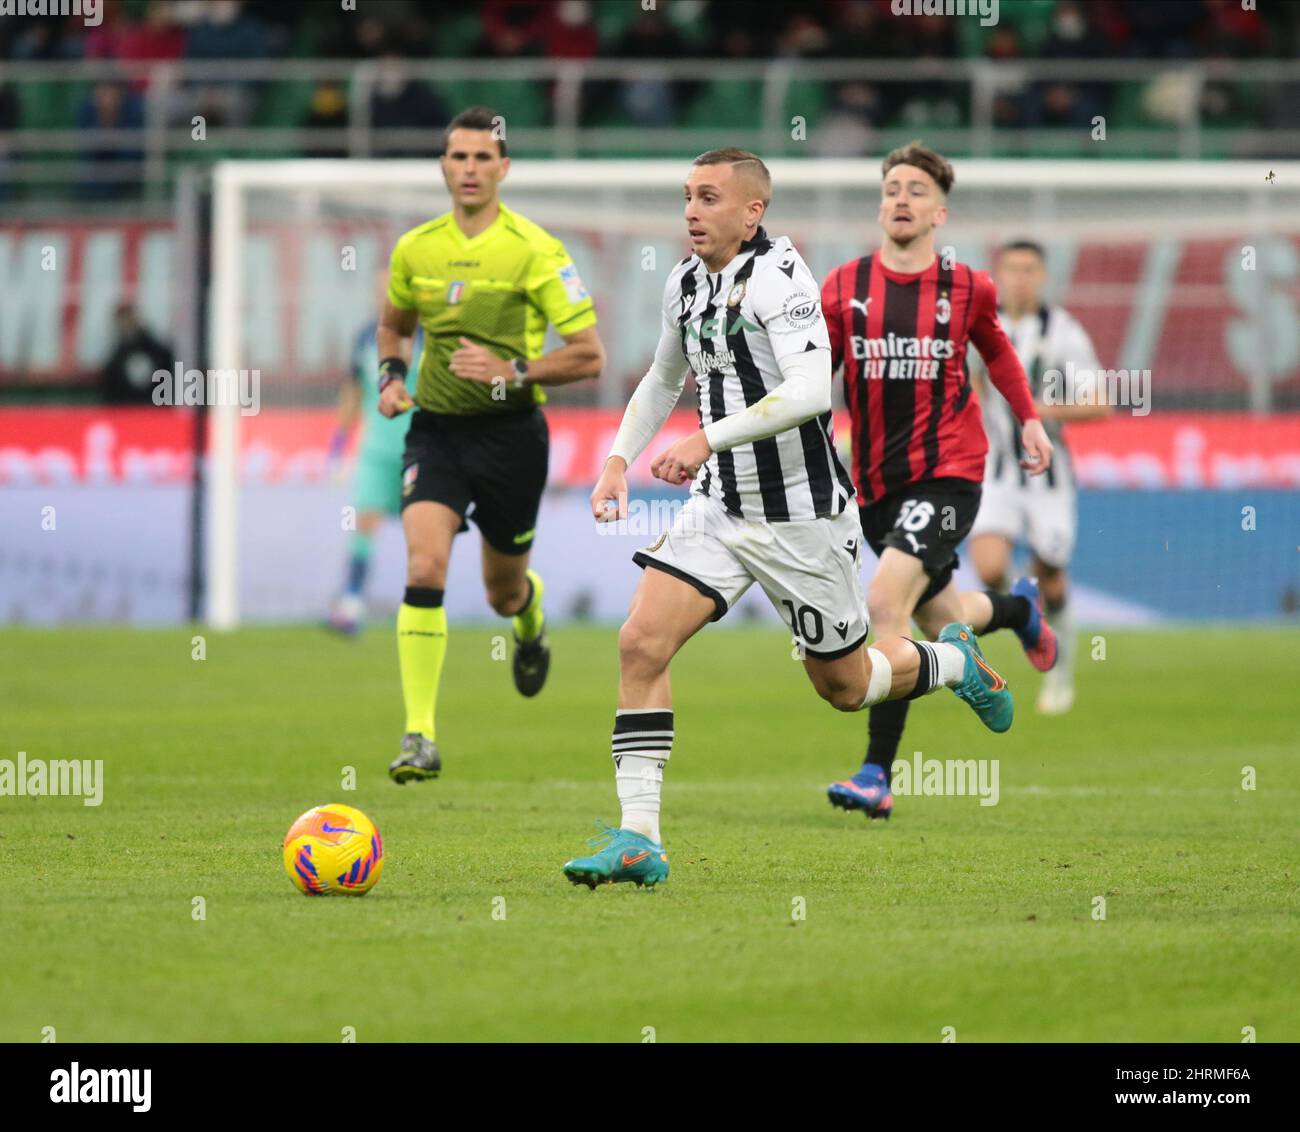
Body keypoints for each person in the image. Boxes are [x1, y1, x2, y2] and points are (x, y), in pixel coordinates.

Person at [562, 148, 1018, 890]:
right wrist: (618, 459)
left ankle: (959, 662)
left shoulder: (783, 280)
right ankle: (639, 837)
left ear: (752, 212)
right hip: (719, 505)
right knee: (640, 643)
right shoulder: (686, 282)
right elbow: (663, 377)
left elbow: (810, 393)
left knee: (843, 687)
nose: (690, 211)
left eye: (708, 198)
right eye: (686, 196)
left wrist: (706, 435)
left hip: (802, 516)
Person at [820, 142, 1058, 821]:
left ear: (940, 212)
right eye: (892, 186)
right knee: (942, 619)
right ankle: (1016, 612)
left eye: (916, 189)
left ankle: (875, 774)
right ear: (880, 204)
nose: (901, 197)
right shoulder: (841, 287)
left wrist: (1032, 421)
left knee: (884, 606)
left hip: (950, 473)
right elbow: (817, 378)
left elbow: (999, 354)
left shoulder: (968, 287)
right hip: (874, 483)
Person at [377, 106, 606, 784]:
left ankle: (529, 624)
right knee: (424, 569)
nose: (469, 169)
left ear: (504, 168)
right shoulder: (415, 248)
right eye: (458, 157)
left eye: (483, 158)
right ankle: (419, 733)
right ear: (443, 166)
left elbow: (590, 355)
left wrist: (516, 372)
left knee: (502, 593)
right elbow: (393, 329)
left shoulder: (536, 250)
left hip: (511, 436)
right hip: (437, 433)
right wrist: (391, 378)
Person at [968, 240, 1110, 714]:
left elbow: (1100, 403)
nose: (1021, 278)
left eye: (1030, 270)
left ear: (1043, 276)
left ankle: (1060, 676)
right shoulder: (980, 325)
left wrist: (1038, 410)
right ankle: (1024, 611)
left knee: (1052, 576)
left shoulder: (1064, 332)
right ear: (998, 274)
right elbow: (968, 386)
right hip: (996, 471)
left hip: (1048, 475)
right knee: (988, 567)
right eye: (1012, 269)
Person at [326, 271, 424, 635]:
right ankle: (351, 603)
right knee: (364, 520)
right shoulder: (366, 339)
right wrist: (338, 444)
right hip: (376, 450)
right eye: (380, 292)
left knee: (422, 532)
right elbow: (353, 391)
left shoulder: (428, 338)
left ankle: (421, 608)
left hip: (420, 450)